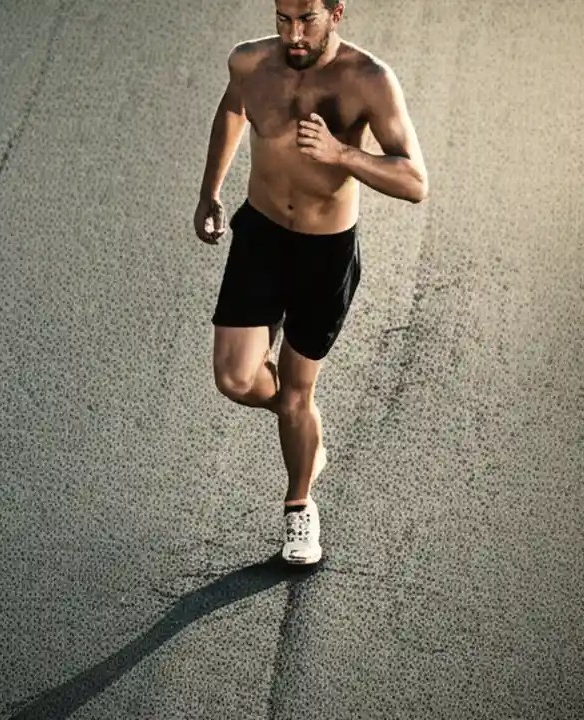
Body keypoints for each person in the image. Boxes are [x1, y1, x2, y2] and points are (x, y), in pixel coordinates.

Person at [194, 0, 429, 564]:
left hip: (324, 254)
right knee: (234, 377)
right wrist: (210, 191)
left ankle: (299, 507)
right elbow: (232, 111)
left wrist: (342, 152)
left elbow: (415, 180)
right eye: (282, 19)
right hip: (262, 236)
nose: (293, 35)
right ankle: (302, 427)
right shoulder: (250, 63)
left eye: (307, 21)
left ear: (337, 13)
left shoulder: (368, 79)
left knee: (299, 394)